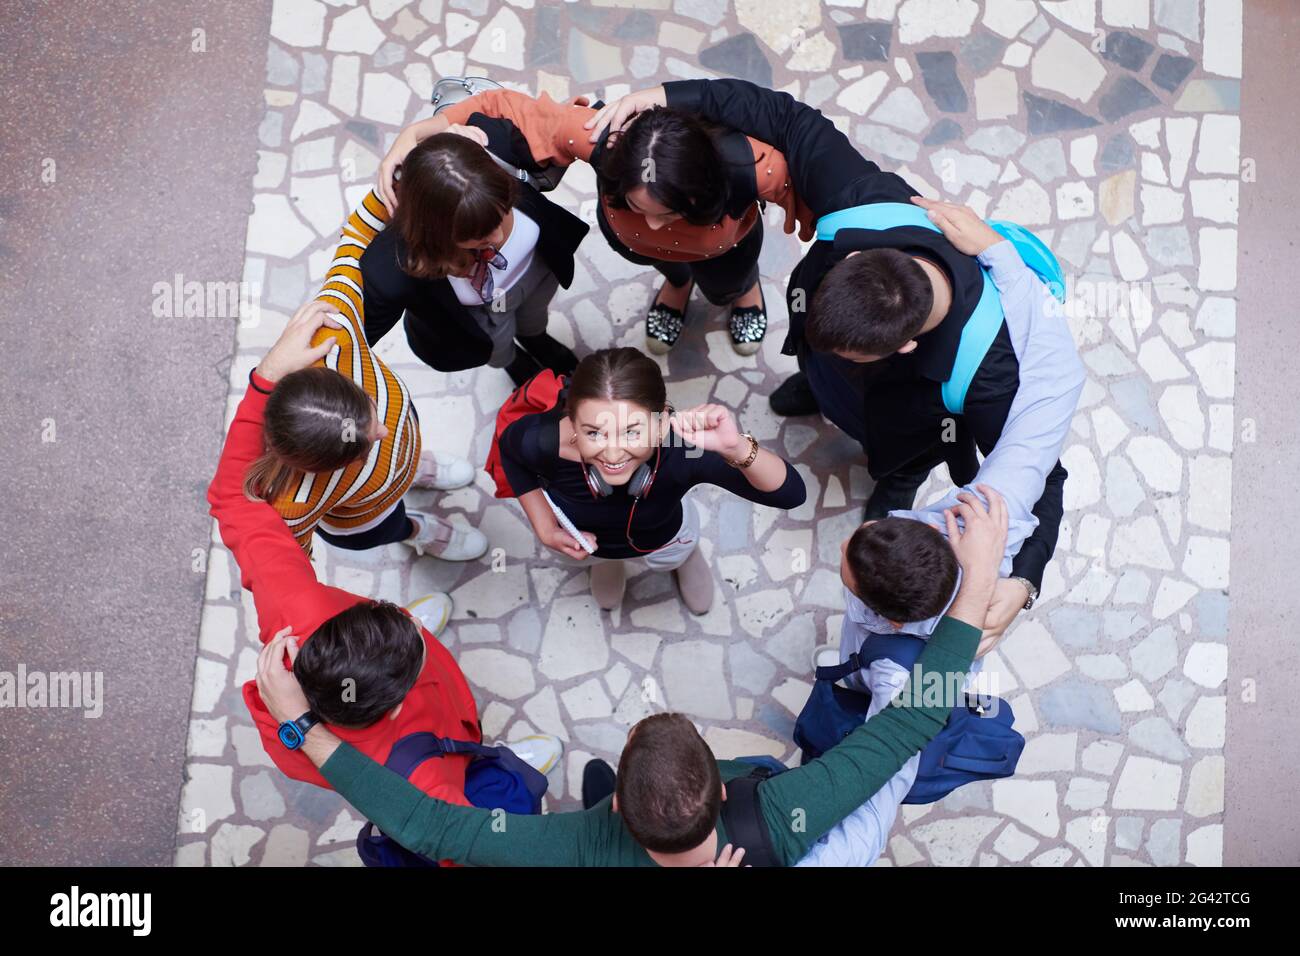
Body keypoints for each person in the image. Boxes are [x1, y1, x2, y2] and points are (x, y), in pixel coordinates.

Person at [252, 487, 1009, 867]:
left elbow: (427, 824)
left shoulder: (578, 845)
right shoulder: (791, 812)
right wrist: (973, 585)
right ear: (718, 786)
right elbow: (914, 718)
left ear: (619, 809)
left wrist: (302, 727)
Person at [588, 80, 1071, 633]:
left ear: (903, 347)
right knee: (817, 378)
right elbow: (785, 116)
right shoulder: (867, 203)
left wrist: (1024, 580)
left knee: (896, 467)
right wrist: (665, 96)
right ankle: (816, 390)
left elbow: (1045, 474)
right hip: (838, 384)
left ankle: (892, 483)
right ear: (858, 257)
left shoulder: (993, 376)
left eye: (846, 352)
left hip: (905, 431)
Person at [800, 202, 1085, 866]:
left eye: (850, 559)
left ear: (878, 608)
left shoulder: (905, 681)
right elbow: (1056, 379)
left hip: (875, 681)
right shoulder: (992, 514)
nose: (856, 537)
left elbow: (898, 744)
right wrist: (1002, 254)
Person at [208, 305, 510, 798]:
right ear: (394, 707)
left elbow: (231, 496)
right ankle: (501, 767)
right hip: (458, 754)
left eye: (390, 619)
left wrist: (265, 380)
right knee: (494, 779)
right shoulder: (421, 785)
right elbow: (455, 838)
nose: (407, 618)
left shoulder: (292, 611)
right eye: (404, 629)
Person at [379, 88, 818, 356]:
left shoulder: (757, 169)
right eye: (637, 205)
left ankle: (743, 294)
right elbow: (507, 107)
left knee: (728, 282)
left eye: (670, 213)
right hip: (633, 248)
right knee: (665, 262)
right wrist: (417, 132)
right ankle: (677, 284)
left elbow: (821, 189)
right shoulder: (595, 135)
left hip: (726, 250)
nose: (657, 225)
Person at [247, 204, 487, 561]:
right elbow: (290, 564)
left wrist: (397, 167)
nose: (382, 431)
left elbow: (355, 236)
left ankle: (415, 466)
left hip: (400, 457)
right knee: (392, 525)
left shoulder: (331, 331)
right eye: (362, 452)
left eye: (371, 412)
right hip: (368, 512)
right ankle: (418, 530)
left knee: (397, 448)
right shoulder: (291, 505)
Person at [496, 347, 806, 614]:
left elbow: (791, 494)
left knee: (675, 554)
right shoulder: (541, 440)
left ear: (662, 422)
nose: (613, 453)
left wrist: (735, 447)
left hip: (666, 539)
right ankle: (605, 563)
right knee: (597, 562)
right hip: (586, 544)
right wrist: (544, 527)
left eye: (632, 431)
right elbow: (509, 452)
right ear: (572, 420)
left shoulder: (681, 447)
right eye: (594, 432)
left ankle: (684, 559)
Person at [361, 128, 587, 386]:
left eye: (501, 212)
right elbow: (354, 338)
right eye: (478, 235)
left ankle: (534, 337)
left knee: (534, 316)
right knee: (498, 343)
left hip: (539, 272)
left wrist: (413, 132)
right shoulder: (393, 270)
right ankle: (511, 361)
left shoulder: (499, 148)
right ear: (437, 232)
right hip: (482, 312)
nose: (498, 236)